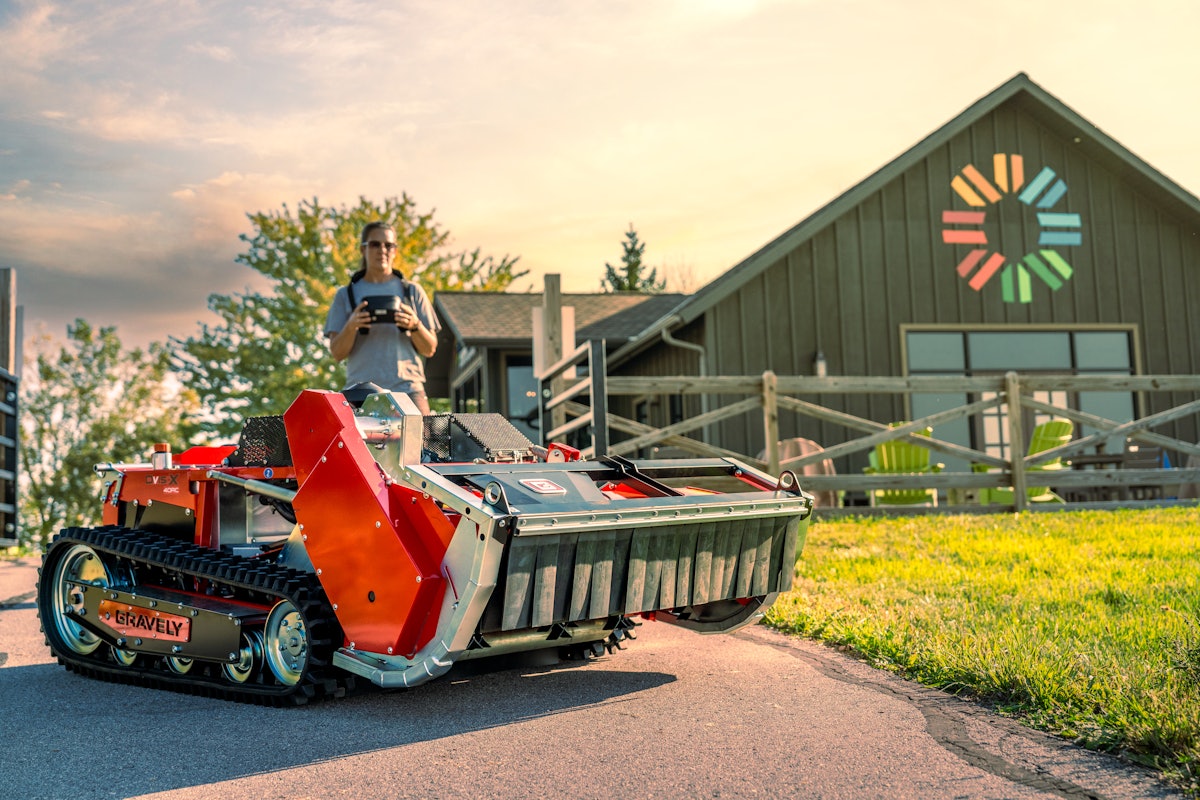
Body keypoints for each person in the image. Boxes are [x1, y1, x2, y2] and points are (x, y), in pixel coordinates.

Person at [325, 221, 440, 414]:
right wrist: (352, 325)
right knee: (355, 446)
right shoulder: (346, 295)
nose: (382, 250)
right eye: (375, 244)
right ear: (363, 249)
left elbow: (430, 348)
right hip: (359, 394)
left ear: (395, 250)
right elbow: (337, 352)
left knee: (420, 445)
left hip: (408, 391)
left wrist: (414, 325)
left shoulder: (412, 292)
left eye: (389, 245)